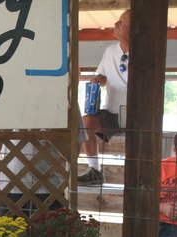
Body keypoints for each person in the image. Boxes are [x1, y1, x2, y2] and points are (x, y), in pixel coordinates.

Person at [77, 10, 130, 186]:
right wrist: (98, 80)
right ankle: (95, 171)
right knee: (86, 122)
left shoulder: (147, 53)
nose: (116, 25)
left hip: (138, 115)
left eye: (121, 22)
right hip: (112, 112)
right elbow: (103, 76)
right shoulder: (110, 51)